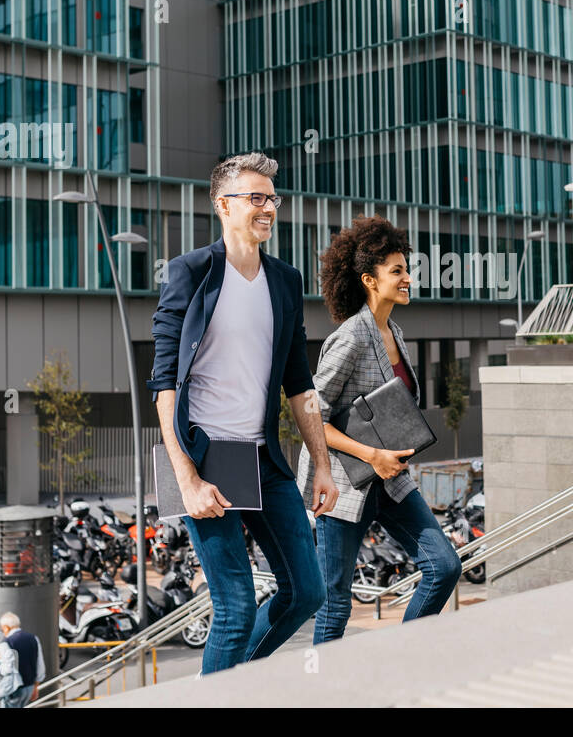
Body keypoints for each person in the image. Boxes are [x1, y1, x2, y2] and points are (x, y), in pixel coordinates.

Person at [148, 152, 337, 675]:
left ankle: (237, 685)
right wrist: (186, 477)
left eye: (271, 198)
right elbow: (164, 385)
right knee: (232, 610)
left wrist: (321, 464)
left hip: (263, 456)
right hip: (207, 455)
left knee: (306, 592)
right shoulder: (190, 273)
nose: (268, 208)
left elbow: (299, 384)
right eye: (255, 198)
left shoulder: (284, 280)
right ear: (222, 205)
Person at [299, 216, 462, 644]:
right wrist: (371, 455)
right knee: (334, 605)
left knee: (443, 566)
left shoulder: (396, 333)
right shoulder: (351, 336)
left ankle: (400, 660)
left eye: (406, 269)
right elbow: (311, 413)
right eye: (398, 271)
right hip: (344, 484)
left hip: (390, 482)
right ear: (370, 280)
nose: (408, 278)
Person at [0, 612, 44, 708]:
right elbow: (40, 664)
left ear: (6, 627)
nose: (3, 632)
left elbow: (6, 670)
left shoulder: (6, 643)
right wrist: (36, 686)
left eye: (2, 629)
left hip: (14, 689)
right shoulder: (33, 638)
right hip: (29, 686)